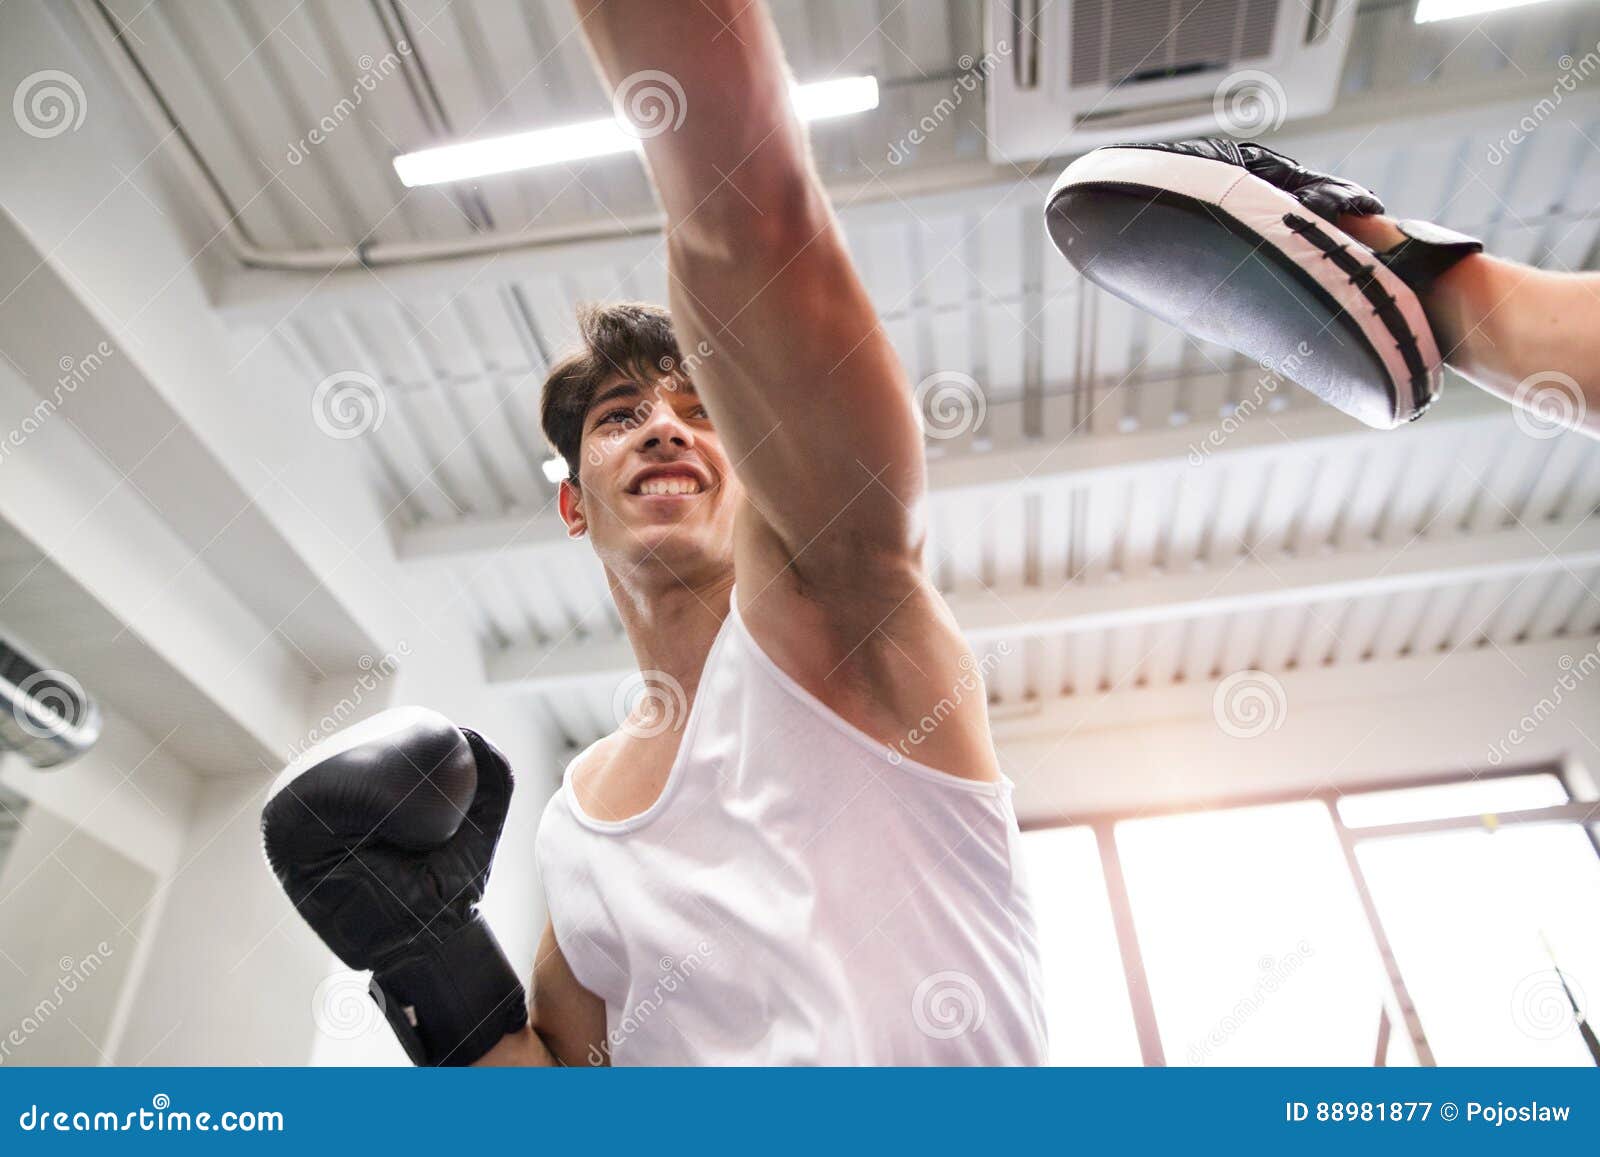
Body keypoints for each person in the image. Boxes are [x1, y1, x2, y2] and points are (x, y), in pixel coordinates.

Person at [265, 0, 1048, 1067]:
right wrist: (425, 954)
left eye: (698, 408)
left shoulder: (848, 614)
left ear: (755, 459)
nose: (665, 427)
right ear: (573, 502)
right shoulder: (579, 820)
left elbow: (756, 226)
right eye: (620, 416)